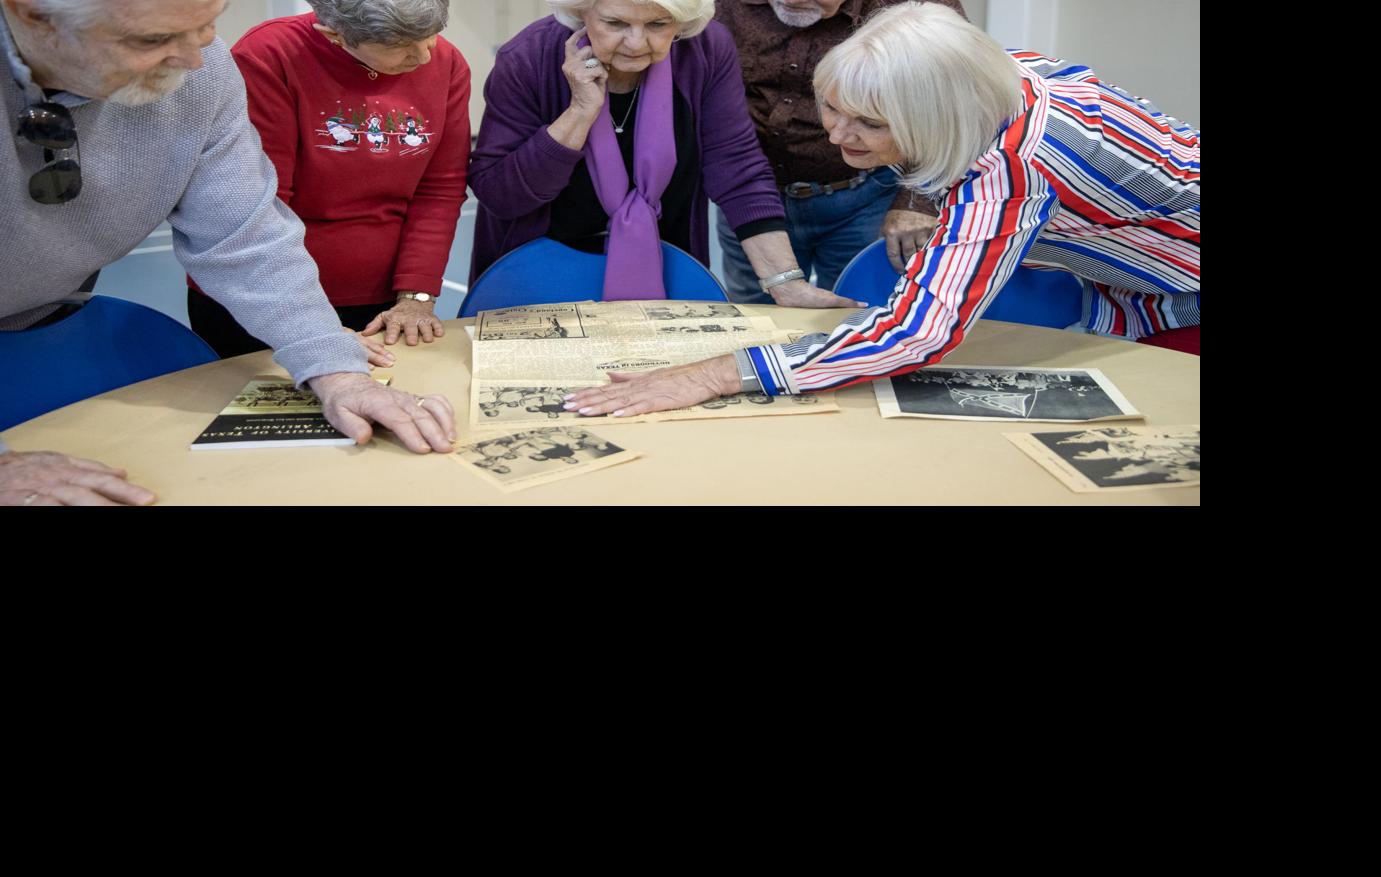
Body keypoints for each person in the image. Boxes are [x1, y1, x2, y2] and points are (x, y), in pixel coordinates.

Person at [562, 2, 1200, 418]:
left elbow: (916, 334)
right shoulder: (997, 77)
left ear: (935, 120)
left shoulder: (1012, 167)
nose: (837, 136)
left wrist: (710, 376)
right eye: (833, 107)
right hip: (1133, 285)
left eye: (870, 123)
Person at [2, 0, 455, 506]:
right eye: (151, 40)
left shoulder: (202, 70)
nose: (195, 59)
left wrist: (337, 369)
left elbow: (244, 234)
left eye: (206, 24)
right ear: (28, 14)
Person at [468, 0, 855, 309]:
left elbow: (737, 168)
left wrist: (786, 282)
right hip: (537, 267)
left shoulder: (706, 50)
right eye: (616, 23)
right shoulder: (527, 58)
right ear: (581, 12)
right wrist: (579, 114)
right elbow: (501, 194)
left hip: (663, 263)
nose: (637, 43)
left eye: (658, 24)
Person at [186, 0, 469, 354]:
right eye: (399, 46)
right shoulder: (269, 55)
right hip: (266, 294)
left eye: (431, 36)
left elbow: (439, 189)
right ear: (334, 35)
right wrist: (310, 324)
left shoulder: (446, 61)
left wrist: (417, 295)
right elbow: (263, 206)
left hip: (384, 300)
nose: (424, 56)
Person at [711, 0, 965, 300]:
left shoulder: (919, 8)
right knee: (758, 316)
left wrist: (917, 201)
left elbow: (951, 109)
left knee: (862, 308)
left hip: (865, 200)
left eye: (869, 122)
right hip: (750, 197)